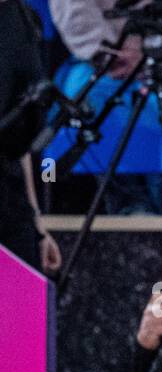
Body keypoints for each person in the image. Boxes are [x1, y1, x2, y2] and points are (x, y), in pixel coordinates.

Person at [0, 0, 61, 274]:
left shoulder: (21, 20)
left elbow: (20, 138)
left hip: (11, 206)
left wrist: (36, 220)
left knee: (20, 314)